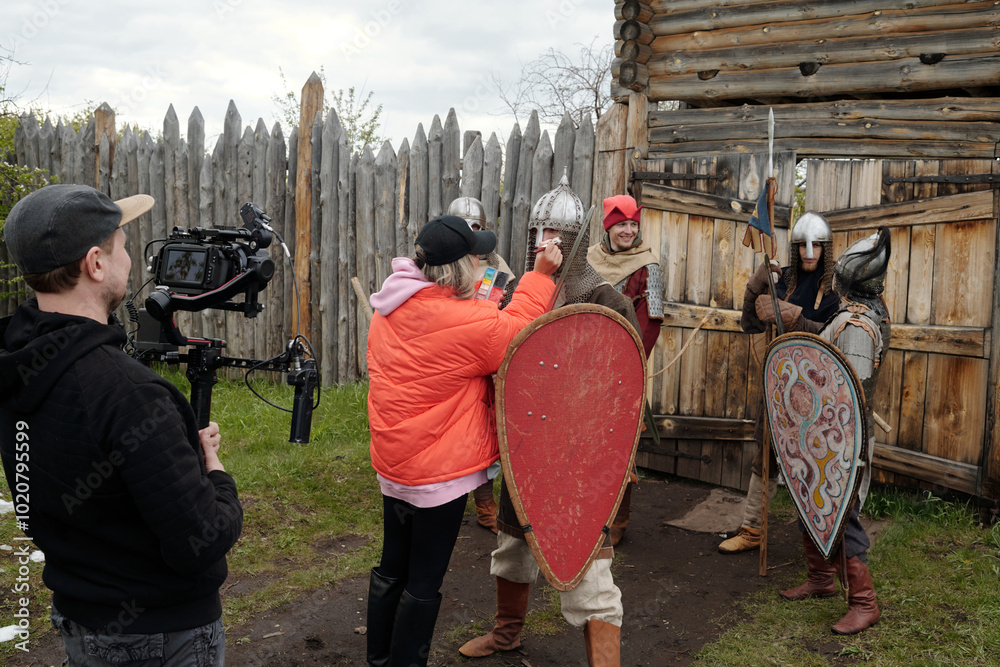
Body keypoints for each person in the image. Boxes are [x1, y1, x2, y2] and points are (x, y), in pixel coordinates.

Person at [0, 184, 243, 666]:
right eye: (124, 246)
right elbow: (202, 539)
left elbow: (30, 501)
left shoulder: (18, 363)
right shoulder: (128, 393)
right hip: (162, 636)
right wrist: (214, 473)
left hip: (79, 618)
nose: (132, 261)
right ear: (95, 263)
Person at [365, 214, 562, 667]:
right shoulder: (469, 323)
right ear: (457, 269)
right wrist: (540, 276)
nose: (483, 262)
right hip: (438, 475)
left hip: (396, 466)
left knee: (392, 564)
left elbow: (462, 327)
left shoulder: (389, 305)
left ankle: (379, 661)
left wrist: (478, 301)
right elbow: (516, 332)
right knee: (424, 580)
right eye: (477, 256)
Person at [460, 173, 640, 666]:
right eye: (541, 233)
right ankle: (506, 633)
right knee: (512, 548)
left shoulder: (604, 300)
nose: (547, 244)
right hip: (527, 447)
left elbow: (623, 379)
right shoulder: (517, 292)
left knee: (590, 569)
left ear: (575, 240)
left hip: (578, 459)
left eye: (556, 235)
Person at [756, 226, 891, 634]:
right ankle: (821, 580)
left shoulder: (857, 326)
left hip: (840, 436)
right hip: (818, 428)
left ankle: (865, 603)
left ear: (846, 279)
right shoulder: (854, 313)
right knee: (806, 495)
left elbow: (846, 389)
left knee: (838, 507)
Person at [718, 212, 839, 554]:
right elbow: (749, 324)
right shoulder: (782, 280)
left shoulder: (835, 289)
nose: (810, 252)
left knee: (817, 463)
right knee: (766, 455)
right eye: (803, 245)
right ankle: (752, 529)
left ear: (827, 249)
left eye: (817, 246)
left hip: (818, 392)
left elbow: (837, 339)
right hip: (778, 382)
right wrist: (757, 285)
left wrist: (796, 318)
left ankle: (822, 539)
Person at [587, 194, 664, 545]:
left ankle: (617, 521)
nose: (629, 231)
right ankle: (587, 511)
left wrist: (628, 360)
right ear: (608, 227)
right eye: (622, 225)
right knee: (586, 438)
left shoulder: (650, 266)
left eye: (634, 225)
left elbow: (652, 321)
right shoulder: (587, 261)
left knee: (620, 440)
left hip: (624, 364)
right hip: (585, 362)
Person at [446, 196, 516, 534]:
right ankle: (457, 499)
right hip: (453, 361)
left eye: (476, 226)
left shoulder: (499, 270)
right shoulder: (441, 266)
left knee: (488, 432)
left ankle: (488, 504)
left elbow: (510, 313)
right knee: (456, 433)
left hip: (489, 356)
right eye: (463, 226)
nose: (470, 233)